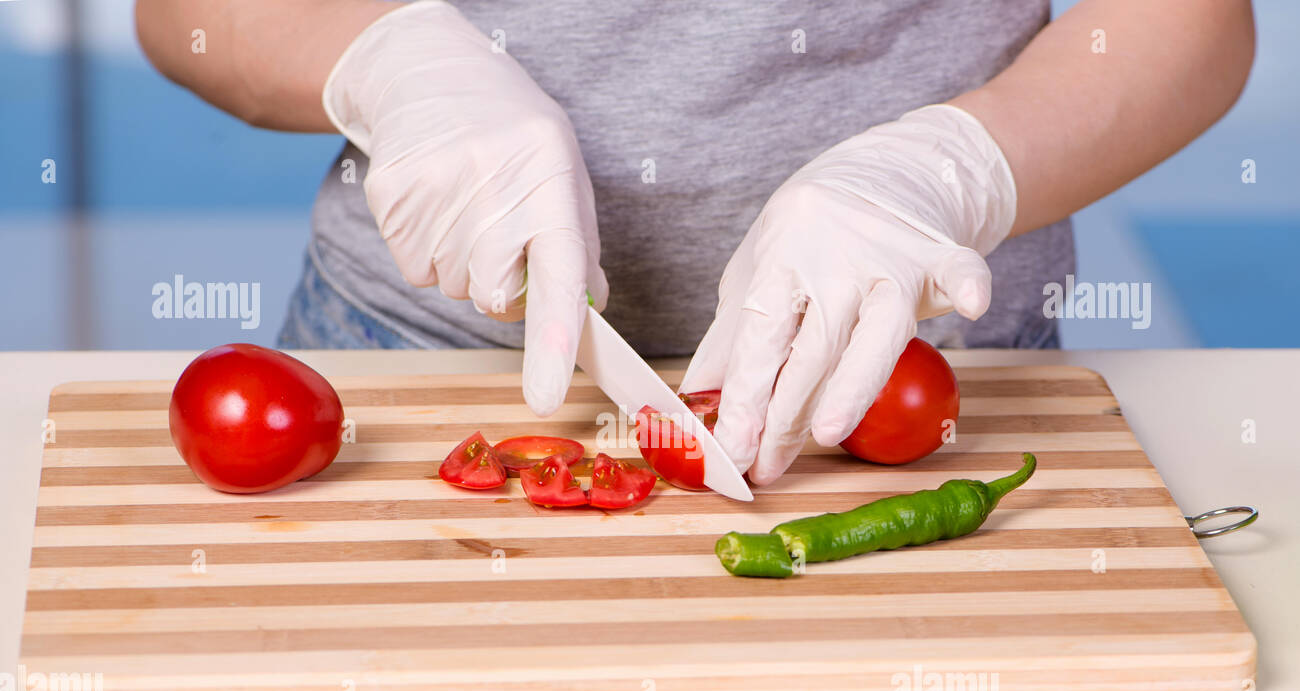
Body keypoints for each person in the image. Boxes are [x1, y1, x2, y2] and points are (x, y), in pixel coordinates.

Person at [136, 0, 1254, 484]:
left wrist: (953, 168)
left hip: (933, 382)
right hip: (406, 357)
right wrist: (383, 58)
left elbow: (1191, 22)